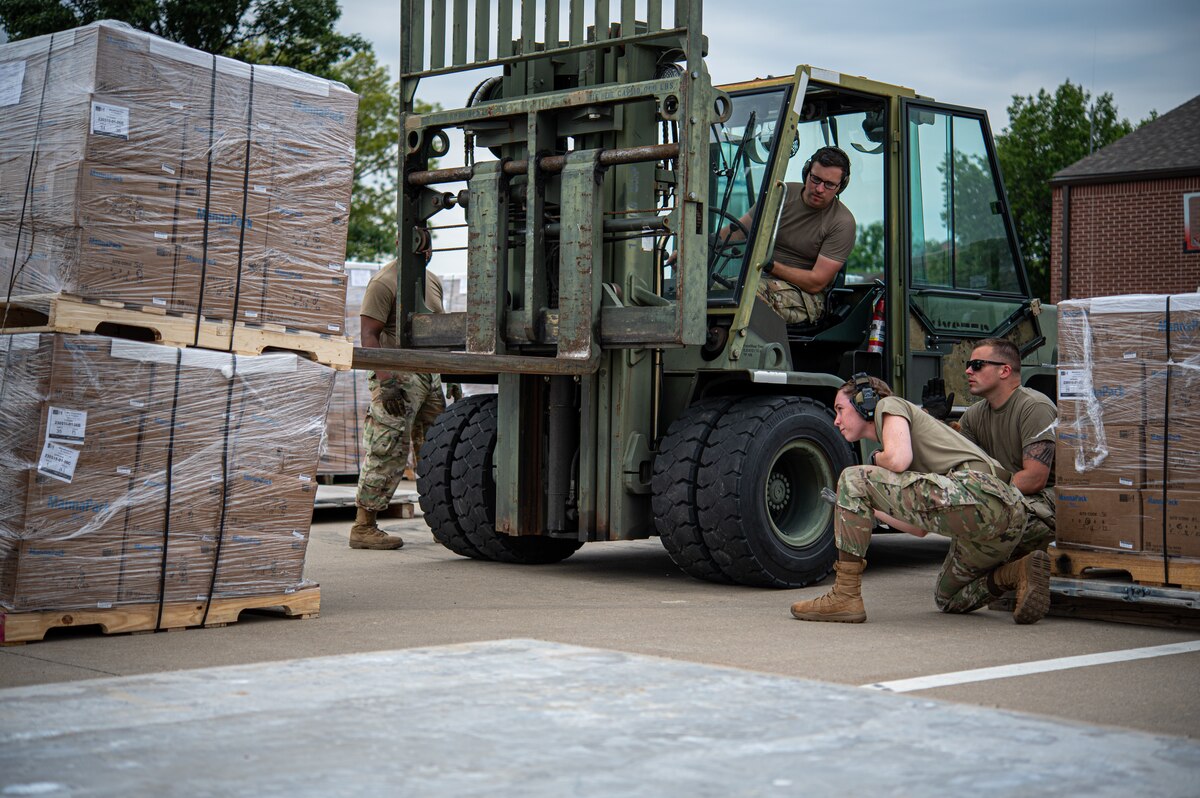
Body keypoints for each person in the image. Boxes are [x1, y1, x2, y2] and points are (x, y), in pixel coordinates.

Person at [789, 375, 1051, 625]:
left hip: (982, 494)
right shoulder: (908, 441)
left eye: (840, 409)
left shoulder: (888, 405)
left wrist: (872, 462)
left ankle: (845, 595)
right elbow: (919, 528)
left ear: (865, 403)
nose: (836, 420)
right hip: (1003, 516)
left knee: (852, 478)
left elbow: (897, 459)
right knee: (949, 598)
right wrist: (863, 507)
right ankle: (1016, 572)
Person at [350, 252, 447, 550]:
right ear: (403, 242)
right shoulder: (384, 282)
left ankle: (442, 523)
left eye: (429, 243)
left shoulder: (432, 282)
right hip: (397, 377)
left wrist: (449, 378)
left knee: (437, 450)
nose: (425, 251)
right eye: (418, 242)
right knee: (387, 448)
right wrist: (386, 380)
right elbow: (369, 334)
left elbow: (441, 333)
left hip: (429, 376)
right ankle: (364, 526)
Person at [718, 146, 857, 324]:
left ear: (840, 187)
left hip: (806, 296)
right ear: (806, 173)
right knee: (714, 290)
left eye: (829, 184)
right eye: (815, 179)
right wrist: (697, 247)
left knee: (747, 294)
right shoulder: (782, 194)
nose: (819, 189)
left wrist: (769, 265)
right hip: (762, 279)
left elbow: (816, 282)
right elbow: (738, 230)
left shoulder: (842, 222)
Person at [957, 338, 1057, 556]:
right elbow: (960, 467)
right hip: (1007, 497)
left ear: (1004, 371)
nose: (968, 371)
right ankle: (1011, 573)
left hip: (1045, 504)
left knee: (994, 523)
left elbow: (1034, 478)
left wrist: (982, 494)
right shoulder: (973, 416)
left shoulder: (1034, 407)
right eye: (968, 364)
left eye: (977, 365)